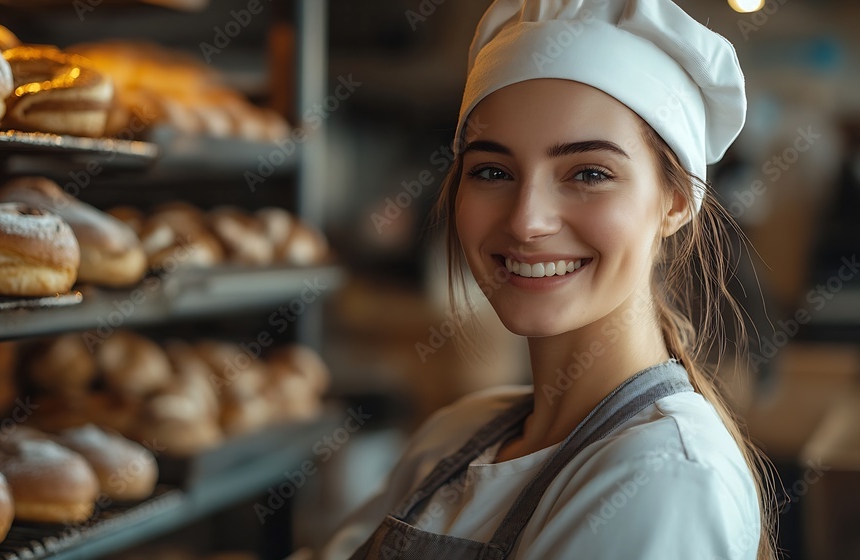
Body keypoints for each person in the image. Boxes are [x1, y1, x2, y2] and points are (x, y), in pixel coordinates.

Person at [319, 0, 777, 558]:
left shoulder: (663, 476)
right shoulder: (456, 434)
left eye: (589, 173)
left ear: (676, 202)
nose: (526, 220)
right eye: (492, 171)